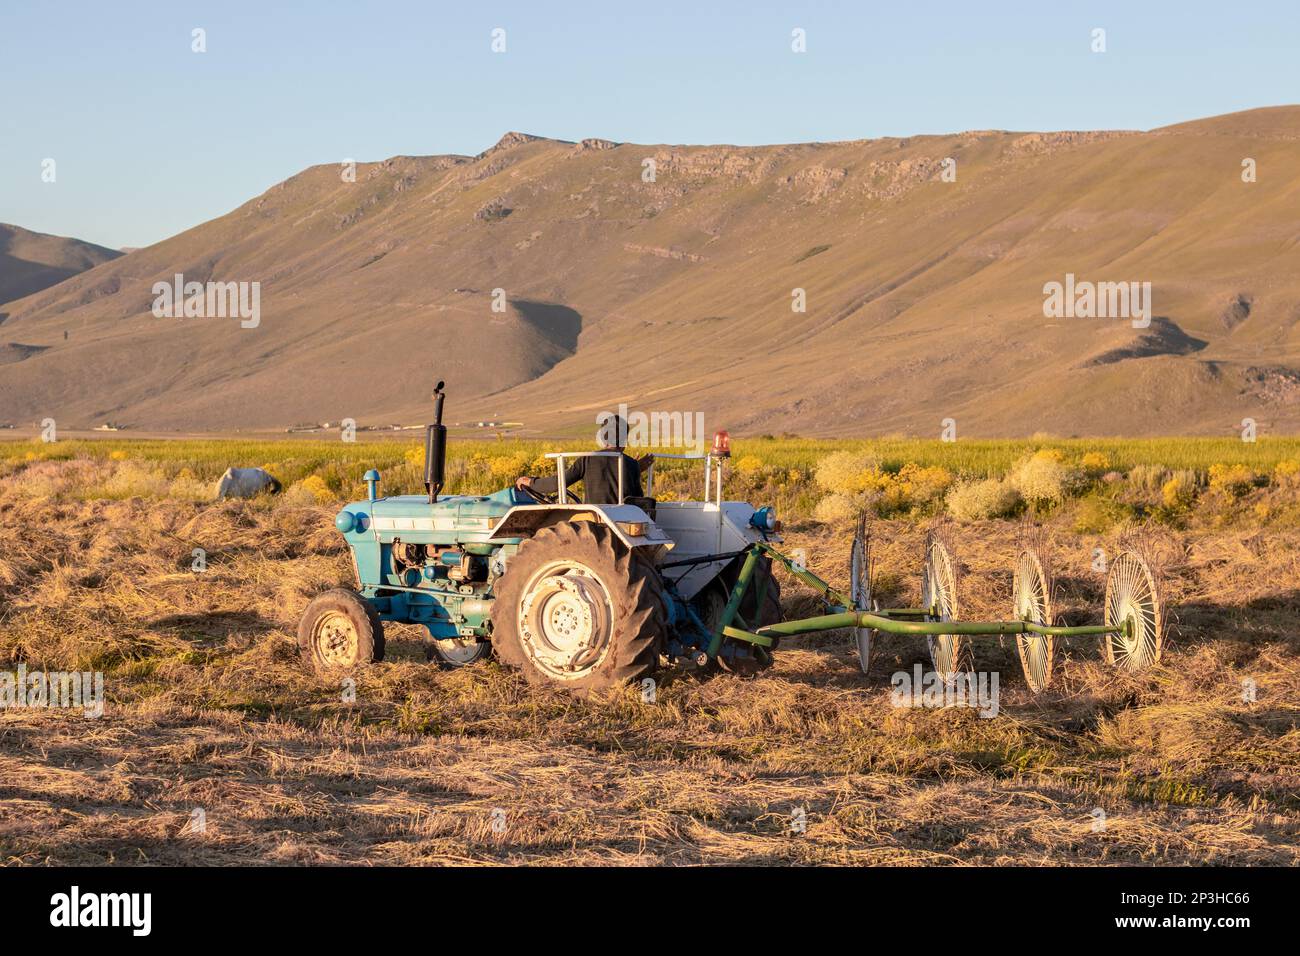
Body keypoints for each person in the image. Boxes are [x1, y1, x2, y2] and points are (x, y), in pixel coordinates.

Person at [516, 414, 653, 504]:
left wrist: (530, 482)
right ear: (624, 440)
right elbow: (637, 501)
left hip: (593, 521)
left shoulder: (587, 460)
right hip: (624, 521)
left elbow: (556, 484)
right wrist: (634, 468)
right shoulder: (632, 464)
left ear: (603, 438)